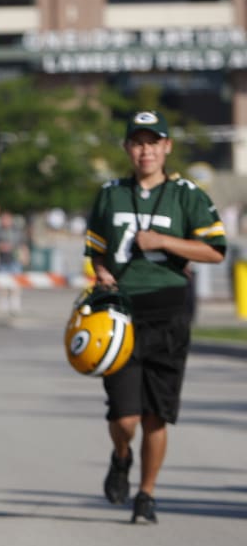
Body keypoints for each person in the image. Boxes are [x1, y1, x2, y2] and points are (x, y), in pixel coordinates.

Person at [85, 110, 225, 524]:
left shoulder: (188, 195)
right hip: (119, 313)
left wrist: (164, 241)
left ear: (166, 147)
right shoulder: (111, 193)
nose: (145, 150)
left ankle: (146, 493)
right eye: (137, 142)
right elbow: (95, 248)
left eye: (153, 142)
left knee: (156, 415)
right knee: (125, 417)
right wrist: (101, 270)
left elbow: (216, 250)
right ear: (128, 147)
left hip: (168, 312)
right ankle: (121, 454)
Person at [0, 211, 28, 315]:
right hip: (2, 260)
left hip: (14, 259)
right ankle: (3, 305)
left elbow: (23, 245)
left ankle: (15, 304)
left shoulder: (17, 232)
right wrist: (1, 246)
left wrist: (25, 257)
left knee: (16, 284)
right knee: (2, 284)